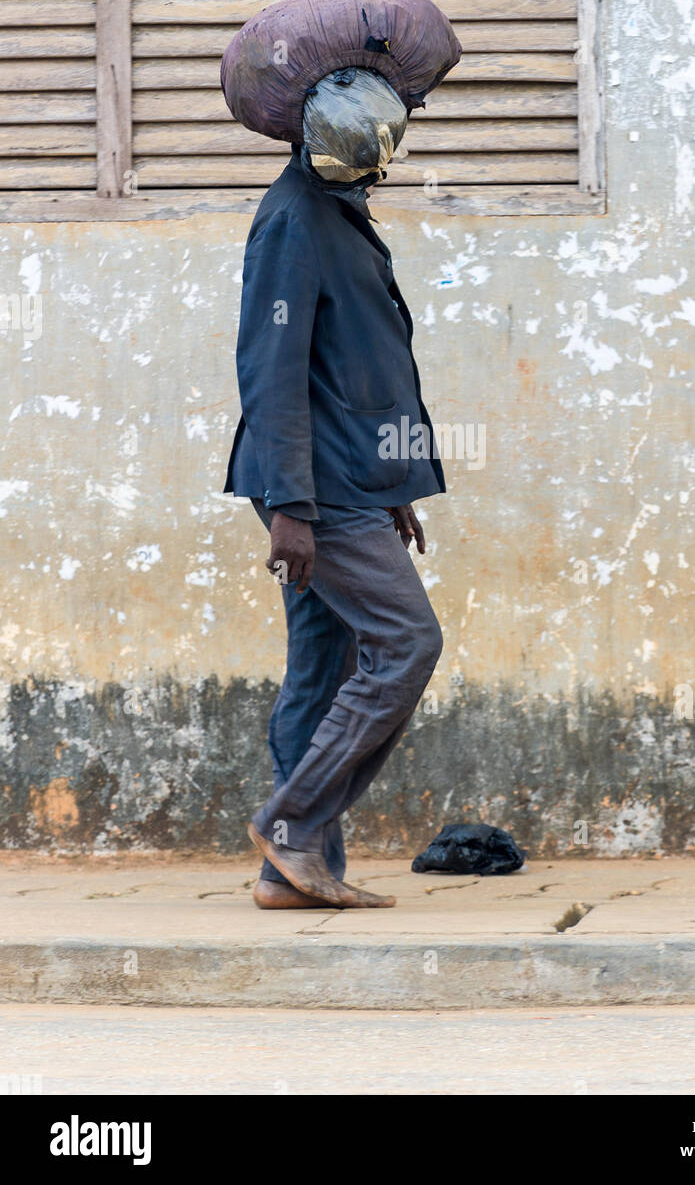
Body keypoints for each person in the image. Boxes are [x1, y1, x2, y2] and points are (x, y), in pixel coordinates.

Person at [224, 70, 445, 909]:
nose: (374, 168)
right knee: (405, 644)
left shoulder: (339, 209)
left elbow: (365, 367)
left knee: (323, 672)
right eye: (362, 156)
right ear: (318, 145)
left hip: (349, 479)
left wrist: (398, 483)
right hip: (312, 489)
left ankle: (291, 873)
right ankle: (291, 825)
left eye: (378, 157)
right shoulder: (292, 218)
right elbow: (270, 371)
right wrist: (288, 507)